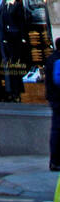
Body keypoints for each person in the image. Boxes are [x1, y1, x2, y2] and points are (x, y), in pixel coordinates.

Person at [46, 36, 60, 171]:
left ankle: (55, 160)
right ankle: (55, 161)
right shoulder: (57, 60)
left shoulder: (51, 59)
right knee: (57, 130)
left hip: (55, 100)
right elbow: (57, 80)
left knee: (56, 130)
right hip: (58, 100)